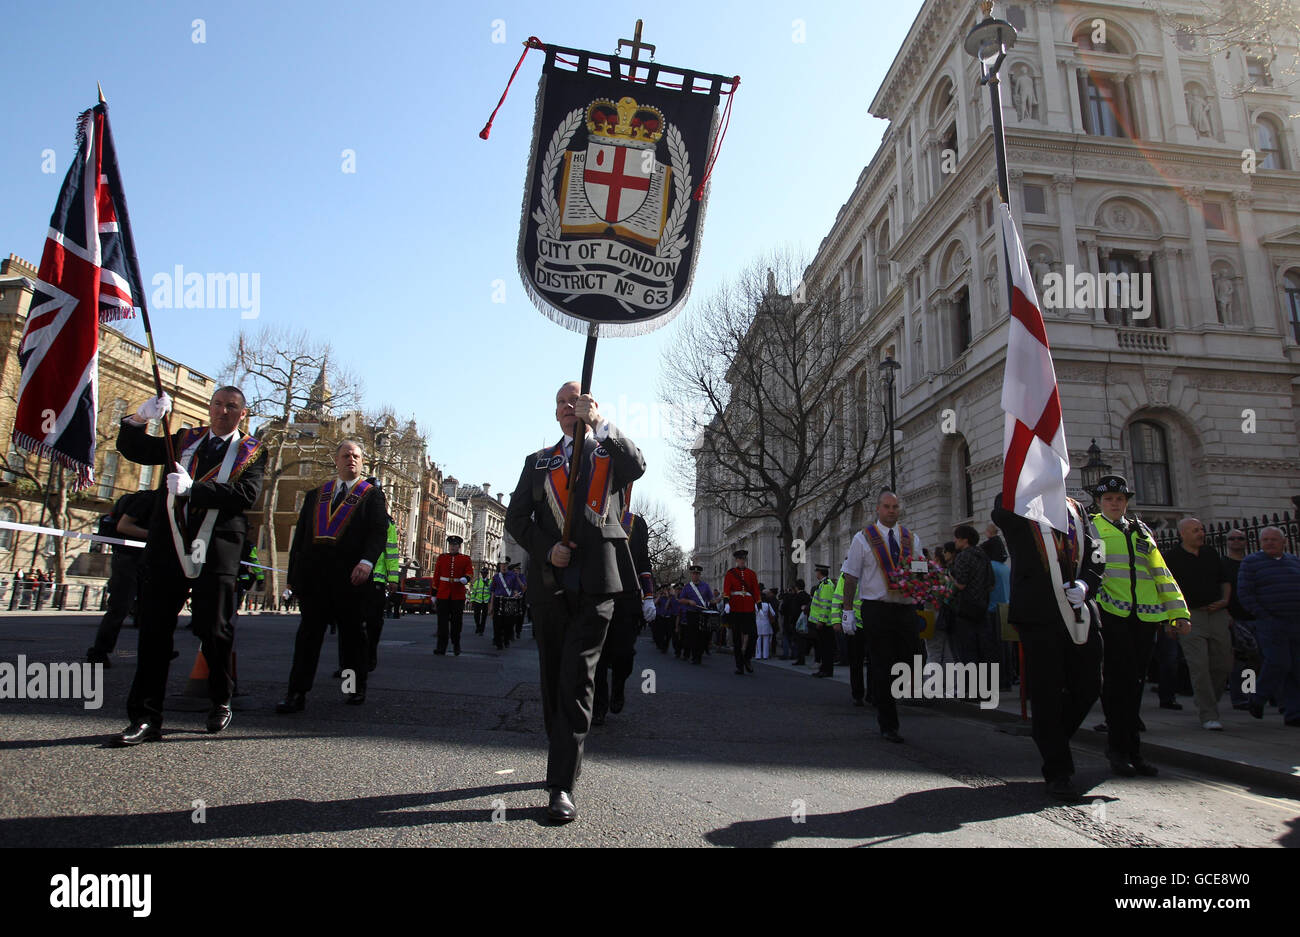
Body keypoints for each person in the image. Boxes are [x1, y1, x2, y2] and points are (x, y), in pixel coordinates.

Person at [503, 380, 645, 822]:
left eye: (577, 402)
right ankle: (560, 749)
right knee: (552, 677)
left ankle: (561, 782)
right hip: (548, 583)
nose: (570, 407)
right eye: (562, 403)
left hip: (597, 582)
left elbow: (638, 465)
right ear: (555, 414)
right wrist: (548, 547)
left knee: (579, 678)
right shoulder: (539, 461)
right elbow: (516, 518)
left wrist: (601, 423)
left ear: (590, 407)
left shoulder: (608, 452)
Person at [110, 387, 266, 744]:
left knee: (214, 629)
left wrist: (194, 488)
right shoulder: (184, 439)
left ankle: (221, 698)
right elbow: (134, 450)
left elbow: (246, 496)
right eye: (217, 404)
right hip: (169, 544)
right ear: (209, 408)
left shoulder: (252, 450)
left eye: (231, 407)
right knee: (153, 630)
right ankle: (146, 717)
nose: (223, 411)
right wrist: (138, 419)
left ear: (242, 414)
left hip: (217, 547)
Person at [993, 491, 1104, 799]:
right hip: (1039, 614)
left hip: (1078, 612)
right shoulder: (1019, 505)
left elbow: (1097, 551)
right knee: (1047, 692)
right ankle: (1058, 771)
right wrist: (1019, 478)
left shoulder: (1076, 507)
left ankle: (1049, 736)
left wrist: (1086, 584)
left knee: (1089, 685)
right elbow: (1000, 514)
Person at [276, 439, 389, 712]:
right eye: (346, 455)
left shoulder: (371, 495)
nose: (351, 460)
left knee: (351, 639)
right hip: (316, 579)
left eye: (357, 456)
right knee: (307, 638)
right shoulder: (317, 495)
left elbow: (378, 532)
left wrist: (367, 562)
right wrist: (293, 578)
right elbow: (301, 539)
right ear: (336, 460)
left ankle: (351, 689)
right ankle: (297, 693)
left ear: (363, 463)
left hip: (351, 578)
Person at [1090, 475, 1190, 776]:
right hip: (1112, 613)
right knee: (1119, 682)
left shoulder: (1141, 530)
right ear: (1099, 502)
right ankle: (1119, 748)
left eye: (1120, 499)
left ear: (1126, 502)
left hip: (1145, 616)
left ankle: (1132, 750)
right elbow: (1090, 570)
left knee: (1135, 684)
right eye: (1109, 499)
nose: (1115, 503)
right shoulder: (1092, 528)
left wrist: (1178, 613)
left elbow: (1161, 572)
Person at [840, 491, 924, 743]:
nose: (891, 510)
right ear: (877, 509)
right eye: (887, 506)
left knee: (911, 656)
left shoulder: (911, 537)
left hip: (905, 606)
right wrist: (847, 611)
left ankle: (897, 694)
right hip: (877, 608)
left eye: (895, 507)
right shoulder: (862, 539)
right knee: (881, 664)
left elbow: (919, 566)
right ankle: (888, 723)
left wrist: (928, 574)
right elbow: (851, 576)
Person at [1164, 517, 1232, 729]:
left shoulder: (1211, 553)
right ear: (1182, 534)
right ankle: (1209, 714)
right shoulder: (1172, 557)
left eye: (1201, 529)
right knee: (1199, 665)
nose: (1200, 533)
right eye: (1195, 530)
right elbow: (1165, 589)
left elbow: (1225, 580)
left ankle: (1208, 700)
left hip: (1217, 613)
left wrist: (1224, 601)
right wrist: (1170, 620)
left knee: (1224, 663)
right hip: (1190, 616)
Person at [593, 497, 656, 725]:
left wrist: (648, 597)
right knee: (596, 656)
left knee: (624, 655)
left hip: (626, 598)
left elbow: (643, 563)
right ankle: (598, 705)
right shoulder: (591, 513)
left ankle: (618, 686)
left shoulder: (635, 523)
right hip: (597, 594)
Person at [1235, 526, 1300, 726]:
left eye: (1274, 539)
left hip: (1295, 621)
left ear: (1284, 542)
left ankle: (1293, 713)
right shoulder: (1251, 562)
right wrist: (1263, 615)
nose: (1270, 543)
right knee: (1278, 662)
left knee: (1296, 668)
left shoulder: (1295, 562)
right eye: (1266, 540)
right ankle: (1257, 697)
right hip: (1270, 622)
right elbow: (1245, 592)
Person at [87, 489, 154, 667]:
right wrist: (154, 535)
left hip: (148, 558)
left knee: (153, 609)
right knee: (120, 606)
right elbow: (123, 526)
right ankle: (99, 652)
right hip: (128, 558)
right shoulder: (148, 499)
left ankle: (156, 651)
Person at [1221, 529, 1260, 709]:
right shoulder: (1223, 565)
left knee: (1256, 659)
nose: (1236, 541)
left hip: (1256, 616)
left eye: (1240, 538)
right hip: (1235, 617)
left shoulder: (1253, 564)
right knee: (1241, 660)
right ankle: (1242, 696)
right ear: (1227, 542)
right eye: (1232, 539)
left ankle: (1253, 693)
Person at [949, 524, 995, 673]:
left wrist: (950, 584)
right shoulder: (984, 556)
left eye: (957, 538)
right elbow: (991, 584)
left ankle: (971, 691)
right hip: (982, 607)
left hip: (966, 609)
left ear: (965, 540)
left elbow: (961, 584)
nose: (955, 541)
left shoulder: (963, 556)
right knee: (984, 650)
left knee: (968, 651)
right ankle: (986, 689)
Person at [366, 512, 400, 671]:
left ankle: (370, 654)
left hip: (376, 579)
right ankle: (347, 663)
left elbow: (392, 551)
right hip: (353, 576)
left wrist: (393, 577)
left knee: (373, 621)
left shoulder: (387, 522)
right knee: (350, 622)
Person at [433, 535, 474, 655]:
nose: (452, 547)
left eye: (455, 545)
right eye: (451, 545)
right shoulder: (442, 558)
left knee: (456, 622)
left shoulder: (465, 559)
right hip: (443, 594)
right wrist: (434, 593)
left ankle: (456, 644)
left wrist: (466, 578)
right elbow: (436, 576)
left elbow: (469, 572)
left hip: (457, 595)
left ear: (459, 547)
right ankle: (441, 647)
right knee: (442, 623)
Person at [723, 550, 760, 675]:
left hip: (749, 607)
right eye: (740, 559)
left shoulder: (751, 574)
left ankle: (747, 658)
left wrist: (758, 602)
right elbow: (727, 588)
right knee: (737, 638)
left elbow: (755, 589)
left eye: (743, 559)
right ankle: (739, 665)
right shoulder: (730, 574)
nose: (742, 561)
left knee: (753, 634)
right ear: (736, 560)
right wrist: (726, 602)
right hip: (736, 607)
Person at [677, 564, 715, 664]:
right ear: (691, 574)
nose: (696, 575)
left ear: (700, 575)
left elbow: (711, 599)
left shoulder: (705, 586)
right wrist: (689, 601)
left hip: (703, 614)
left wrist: (719, 599)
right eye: (694, 574)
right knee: (693, 636)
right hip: (691, 613)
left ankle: (699, 655)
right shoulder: (687, 587)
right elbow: (681, 599)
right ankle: (695, 657)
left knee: (702, 636)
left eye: (697, 574)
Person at [808, 564, 836, 677]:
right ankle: (824, 669)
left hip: (825, 623)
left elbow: (825, 605)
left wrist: (821, 620)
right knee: (823, 647)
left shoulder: (826, 585)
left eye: (817, 571)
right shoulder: (823, 585)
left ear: (820, 573)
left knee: (826, 648)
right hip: (823, 622)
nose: (816, 574)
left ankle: (827, 670)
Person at [469, 565, 493, 635]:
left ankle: (481, 630)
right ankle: (478, 626)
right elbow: (474, 592)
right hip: (477, 601)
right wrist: (472, 601)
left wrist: (490, 602)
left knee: (484, 617)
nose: (484, 574)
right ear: (481, 574)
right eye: (482, 573)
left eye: (485, 573)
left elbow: (491, 592)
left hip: (486, 602)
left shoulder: (490, 582)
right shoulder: (478, 581)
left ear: (487, 574)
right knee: (476, 615)